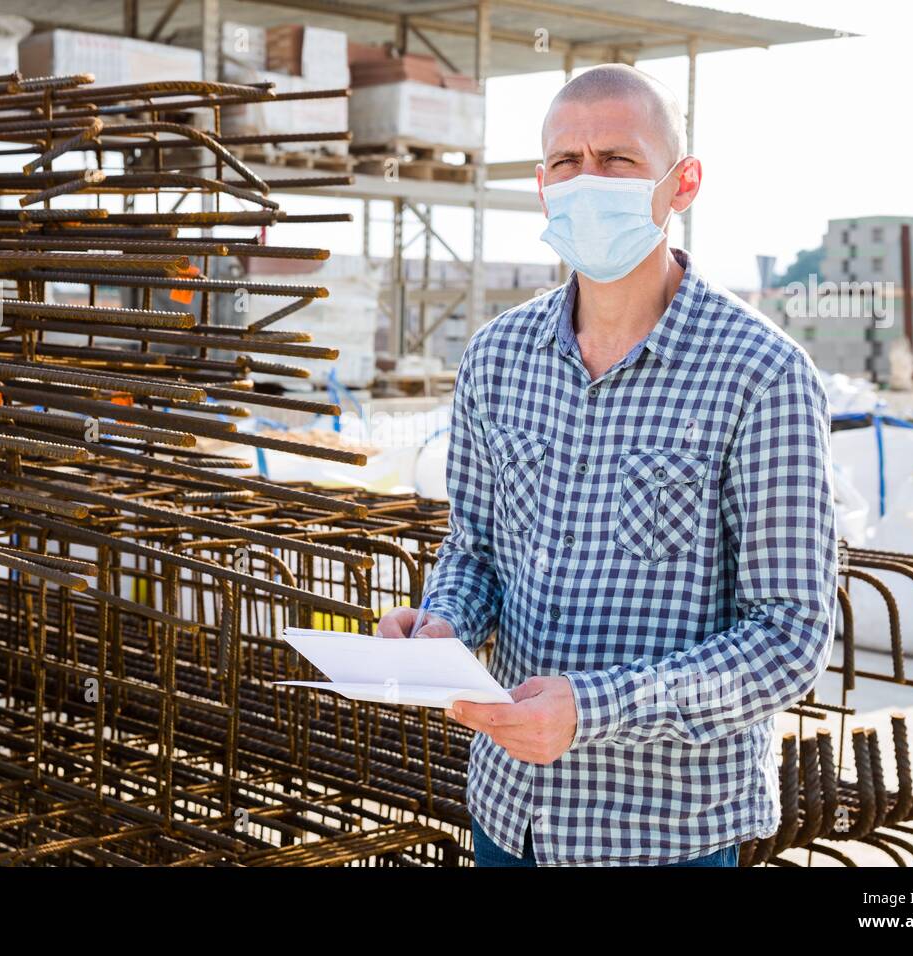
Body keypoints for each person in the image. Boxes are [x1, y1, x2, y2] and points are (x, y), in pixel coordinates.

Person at [375, 64, 837, 867]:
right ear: (542, 186)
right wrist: (443, 623)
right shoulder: (498, 357)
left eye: (618, 160)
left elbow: (789, 639)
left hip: (664, 836)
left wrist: (594, 708)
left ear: (682, 181)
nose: (588, 181)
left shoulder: (762, 374)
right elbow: (476, 548)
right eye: (566, 162)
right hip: (508, 816)